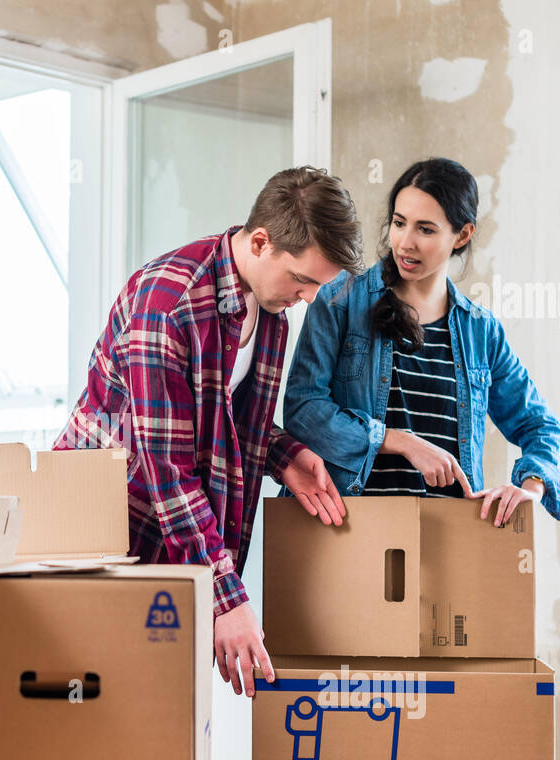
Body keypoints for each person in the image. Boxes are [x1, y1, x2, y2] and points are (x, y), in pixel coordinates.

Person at [54, 167, 364, 697]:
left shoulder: (270, 313)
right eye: (303, 280)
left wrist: (283, 453)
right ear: (261, 242)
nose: (308, 298)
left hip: (172, 543)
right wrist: (227, 596)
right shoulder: (167, 307)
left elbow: (226, 421)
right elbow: (166, 468)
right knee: (94, 718)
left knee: (159, 726)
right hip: (99, 537)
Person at [281, 157, 560, 526]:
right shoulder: (340, 301)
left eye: (426, 230)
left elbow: (541, 427)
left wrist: (530, 488)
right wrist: (398, 441)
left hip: (448, 541)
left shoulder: (481, 331)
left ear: (462, 235)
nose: (405, 242)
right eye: (399, 223)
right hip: (346, 532)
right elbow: (303, 410)